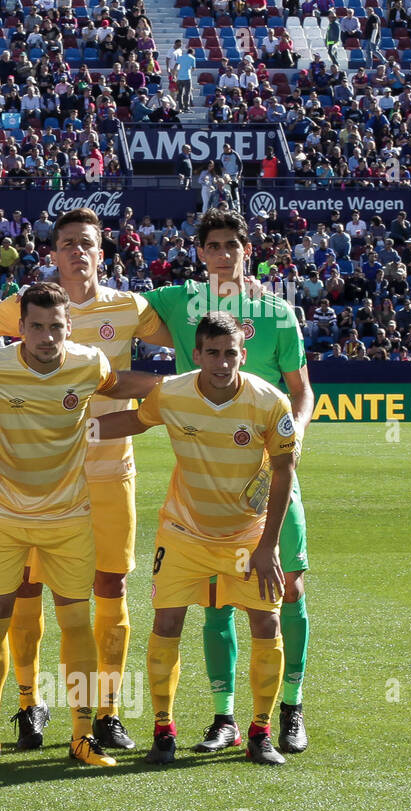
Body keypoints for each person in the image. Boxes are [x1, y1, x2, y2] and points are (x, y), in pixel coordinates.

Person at [0, 207, 166, 752]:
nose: (78, 251)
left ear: (103, 253)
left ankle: (106, 712)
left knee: (109, 588)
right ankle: (30, 704)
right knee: (25, 589)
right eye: (68, 243)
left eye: (88, 243)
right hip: (33, 484)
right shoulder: (24, 307)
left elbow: (190, 339)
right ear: (53, 253)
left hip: (107, 474)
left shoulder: (131, 306)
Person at [140, 208, 315, 754]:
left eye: (231, 246)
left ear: (247, 250)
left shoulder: (276, 312)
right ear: (201, 252)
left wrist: (295, 434)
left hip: (269, 470)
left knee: (289, 587)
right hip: (213, 476)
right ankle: (224, 717)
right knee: (215, 598)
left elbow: (302, 388)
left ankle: (290, 706)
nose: (222, 255)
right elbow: (117, 311)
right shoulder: (177, 302)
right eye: (212, 246)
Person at [96, 312, 297, 766]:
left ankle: (260, 732)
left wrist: (267, 547)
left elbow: (284, 472)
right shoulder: (171, 392)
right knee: (166, 624)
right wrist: (74, 432)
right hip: (183, 532)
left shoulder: (270, 401)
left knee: (266, 624)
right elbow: (135, 422)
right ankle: (163, 730)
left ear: (242, 355)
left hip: (246, 535)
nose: (222, 362)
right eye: (213, 353)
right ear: (197, 355)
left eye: (230, 353)